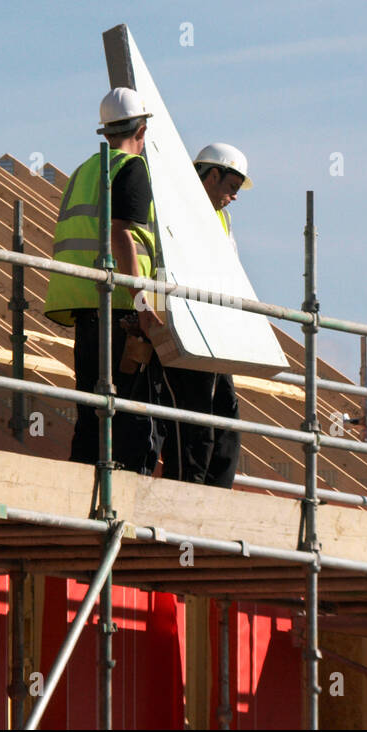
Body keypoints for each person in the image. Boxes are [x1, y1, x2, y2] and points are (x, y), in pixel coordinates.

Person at [44, 87, 164, 474]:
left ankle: (84, 488)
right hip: (119, 305)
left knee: (93, 406)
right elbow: (119, 232)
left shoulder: (85, 169)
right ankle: (123, 494)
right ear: (142, 130)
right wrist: (143, 300)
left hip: (85, 301)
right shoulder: (131, 167)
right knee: (128, 408)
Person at [160, 143, 252, 489]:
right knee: (194, 425)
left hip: (215, 331)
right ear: (213, 175)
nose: (234, 197)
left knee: (225, 420)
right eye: (231, 187)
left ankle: (215, 495)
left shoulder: (218, 217)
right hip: (186, 330)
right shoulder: (174, 209)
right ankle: (188, 495)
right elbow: (161, 267)